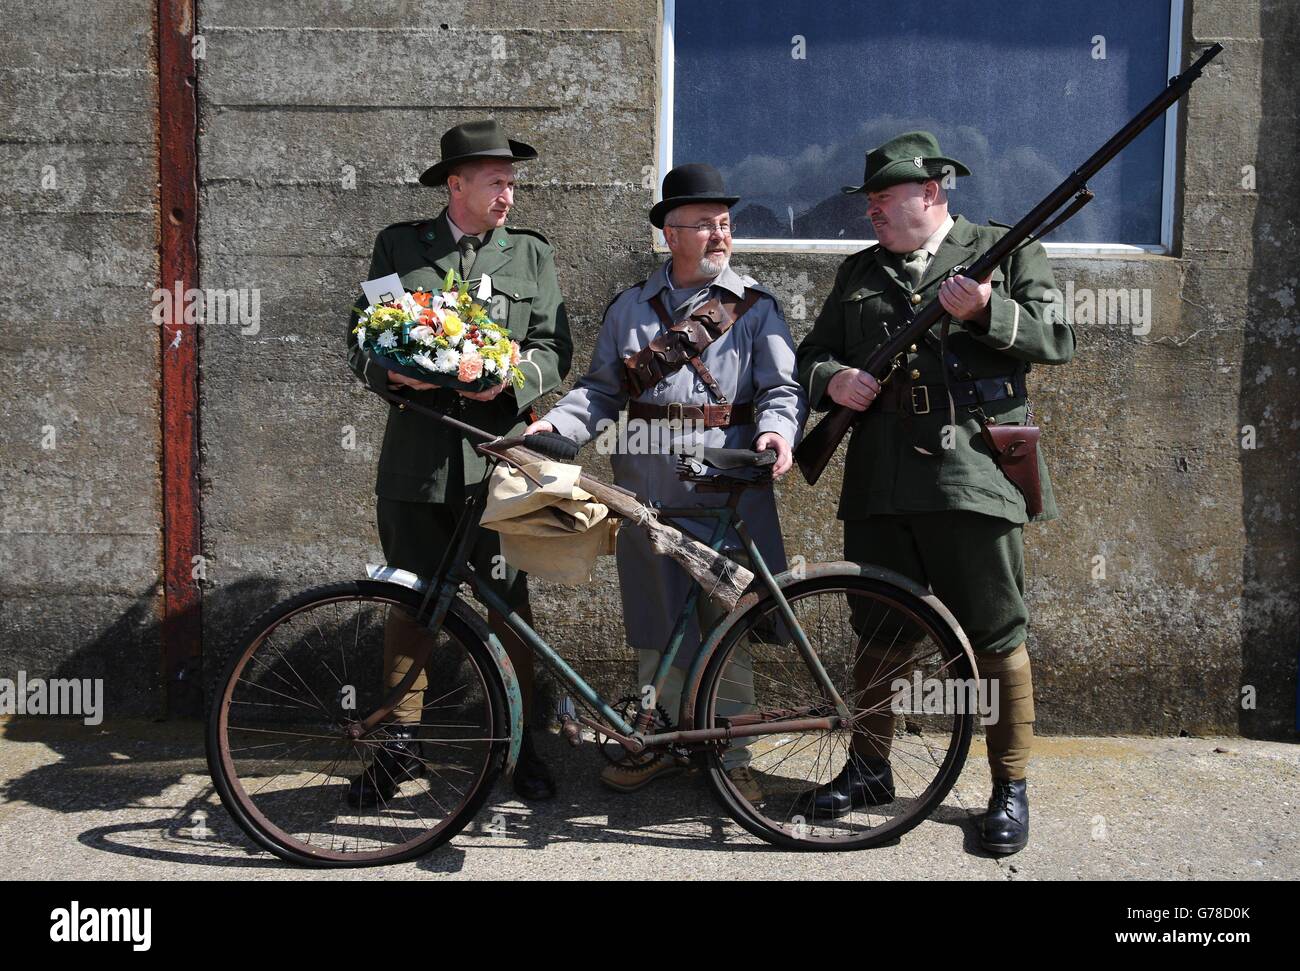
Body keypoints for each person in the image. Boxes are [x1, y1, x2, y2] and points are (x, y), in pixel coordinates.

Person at [794, 131, 1075, 854]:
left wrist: (985, 311)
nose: (873, 213)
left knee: (995, 631)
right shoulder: (859, 271)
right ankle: (869, 769)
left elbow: (1057, 337)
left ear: (933, 193)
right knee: (879, 631)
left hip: (972, 475)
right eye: (872, 202)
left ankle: (1009, 785)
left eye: (885, 199)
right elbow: (809, 356)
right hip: (881, 478)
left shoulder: (1002, 249)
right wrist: (834, 380)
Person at [525, 163, 807, 801]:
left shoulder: (756, 308)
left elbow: (783, 389)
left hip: (729, 493)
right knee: (655, 626)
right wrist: (562, 431)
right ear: (670, 234)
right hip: (648, 495)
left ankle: (731, 757)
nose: (719, 236)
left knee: (727, 623)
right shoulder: (630, 308)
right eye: (704, 225)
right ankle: (654, 740)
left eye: (726, 224)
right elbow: (598, 391)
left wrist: (776, 434)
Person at [345, 118, 572, 804]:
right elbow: (361, 340)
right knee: (409, 604)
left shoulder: (531, 255)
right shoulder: (399, 246)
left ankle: (522, 743)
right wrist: (394, 374)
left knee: (510, 610)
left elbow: (554, 347)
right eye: (496, 181)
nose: (508, 194)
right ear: (456, 184)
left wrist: (514, 379)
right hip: (418, 465)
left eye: (511, 182)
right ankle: (400, 748)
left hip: (498, 465)